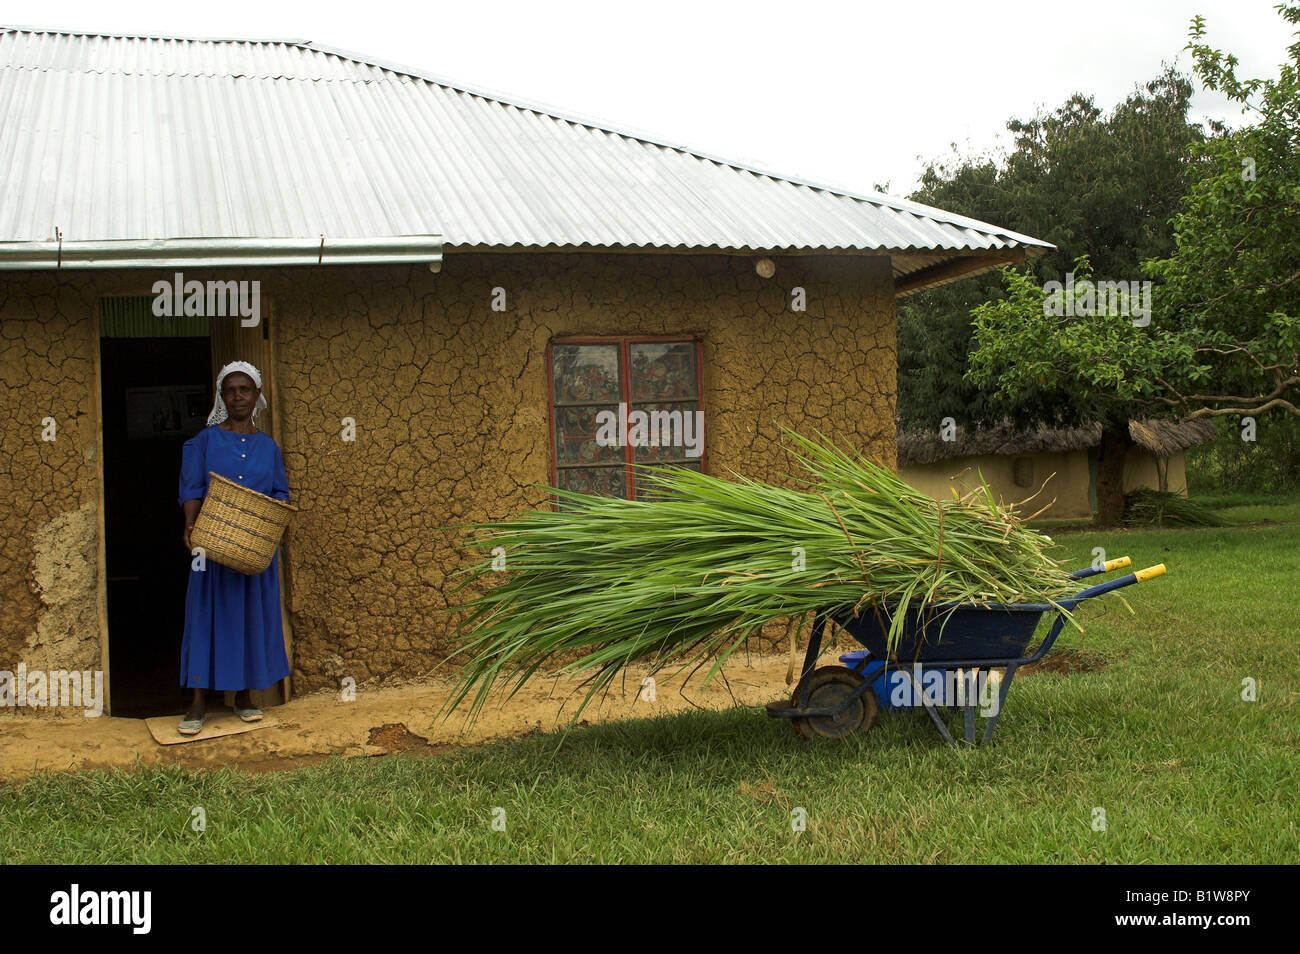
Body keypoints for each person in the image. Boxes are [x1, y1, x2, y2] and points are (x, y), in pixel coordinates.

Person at [176, 361, 291, 735]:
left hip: (254, 549)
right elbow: (192, 487)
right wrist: (191, 527)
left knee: (247, 617)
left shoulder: (268, 447)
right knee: (204, 617)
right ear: (222, 397)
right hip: (211, 547)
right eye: (230, 390)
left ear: (257, 396)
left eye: (245, 390)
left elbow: (280, 493)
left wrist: (267, 522)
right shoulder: (205, 440)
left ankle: (243, 697)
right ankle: (197, 703)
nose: (238, 396)